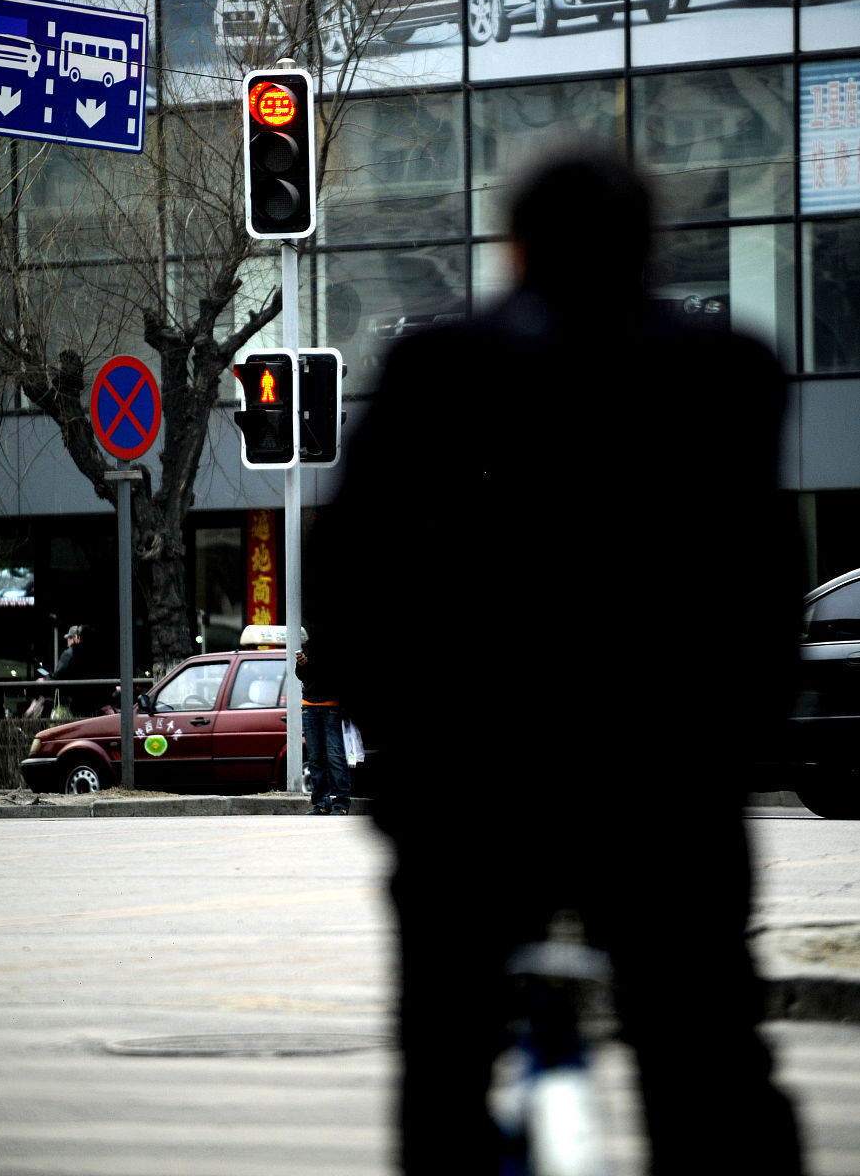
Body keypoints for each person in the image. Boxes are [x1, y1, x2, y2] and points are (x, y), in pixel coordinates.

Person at [304, 146, 806, 1175]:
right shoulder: (726, 370)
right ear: (646, 249)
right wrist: (726, 756)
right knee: (705, 1063)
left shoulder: (437, 367)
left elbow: (349, 569)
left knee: (442, 1062)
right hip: (664, 794)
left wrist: (398, 748)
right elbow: (764, 592)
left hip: (470, 792)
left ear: (515, 246)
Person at [295, 630, 351, 816]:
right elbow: (303, 676)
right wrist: (302, 665)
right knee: (315, 757)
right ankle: (321, 803)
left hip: (331, 706)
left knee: (335, 755)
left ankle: (341, 803)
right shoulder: (310, 645)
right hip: (309, 705)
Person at [53, 624, 98, 717]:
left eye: (69, 638)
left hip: (75, 698)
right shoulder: (95, 653)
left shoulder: (70, 653)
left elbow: (59, 675)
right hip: (91, 697)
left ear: (76, 638)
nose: (68, 641)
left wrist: (47, 680)